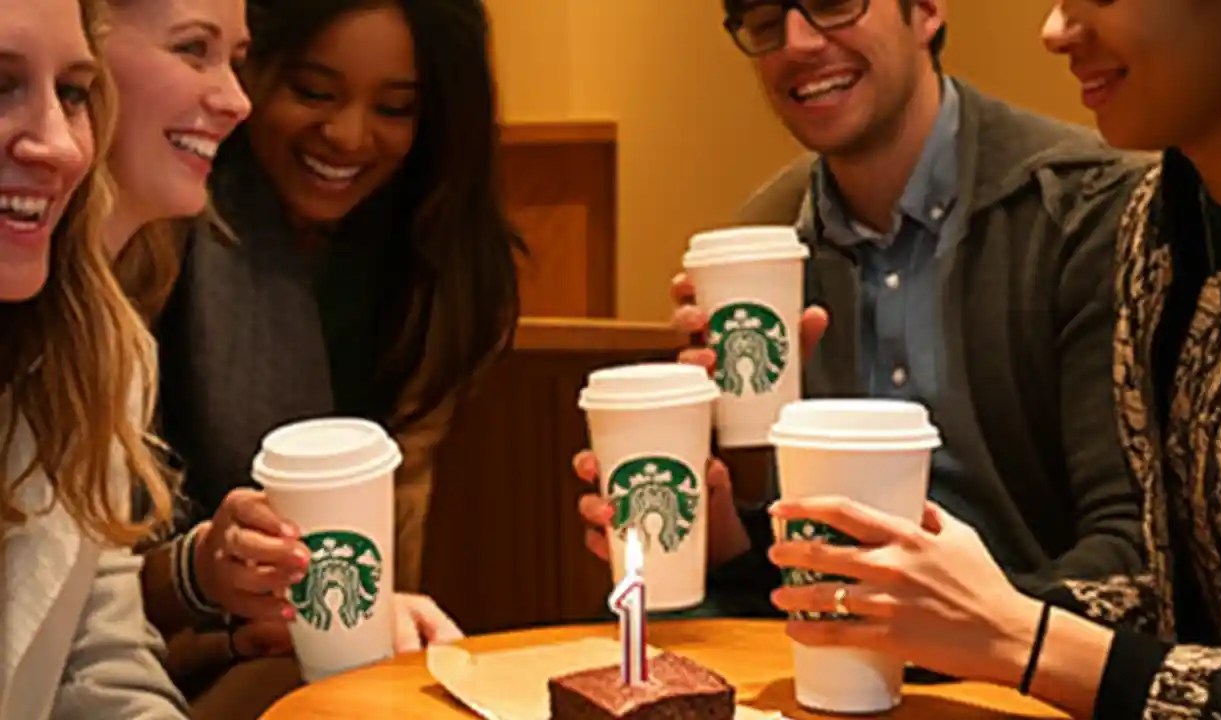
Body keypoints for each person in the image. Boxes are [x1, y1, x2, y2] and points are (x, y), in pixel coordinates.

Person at [766, 0, 1221, 717]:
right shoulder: (1156, 230)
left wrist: (1020, 637)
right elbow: (1171, 598)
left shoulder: (1084, 205)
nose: (1054, 31)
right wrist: (934, 615)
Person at [576, 0, 1148, 613]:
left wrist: (948, 630)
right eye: (766, 22)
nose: (797, 43)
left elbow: (1130, 553)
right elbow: (802, 585)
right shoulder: (768, 242)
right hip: (827, 671)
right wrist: (725, 540)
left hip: (1031, 684)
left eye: (831, 4)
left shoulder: (1085, 210)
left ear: (927, 10)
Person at [112, 0, 520, 715]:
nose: (348, 135)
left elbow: (386, 545)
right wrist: (214, 597)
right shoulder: (156, 234)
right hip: (164, 662)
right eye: (313, 93)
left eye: (395, 107)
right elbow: (84, 600)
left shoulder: (431, 269)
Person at [0, 0, 187, 716]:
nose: (61, 145)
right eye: (0, 83)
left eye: (73, 92)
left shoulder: (94, 356)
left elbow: (98, 668)